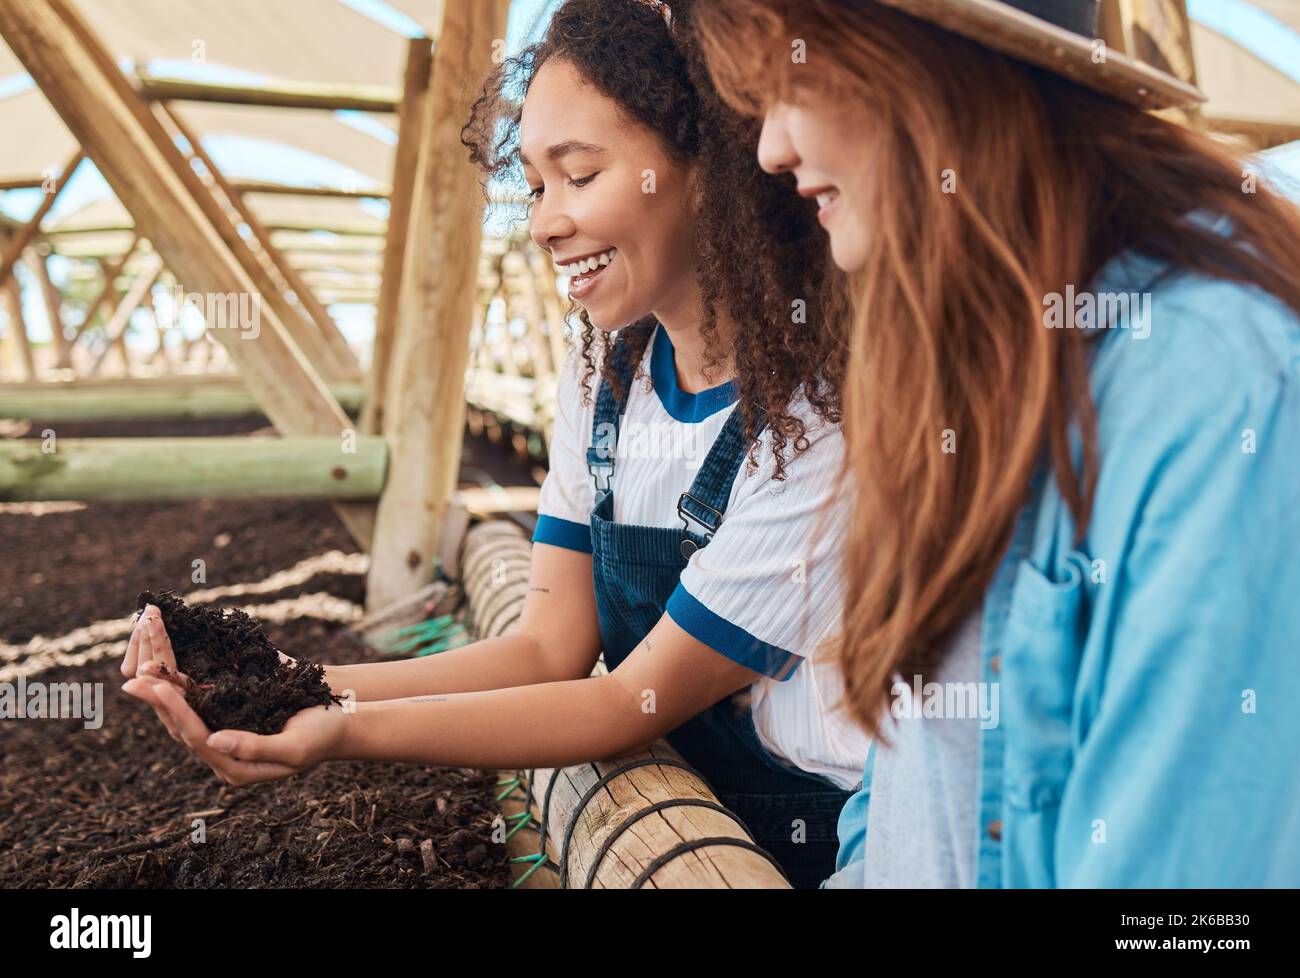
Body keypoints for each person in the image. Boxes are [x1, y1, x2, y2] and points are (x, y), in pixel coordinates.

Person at [122, 0, 868, 889]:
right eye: (536, 186)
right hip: (672, 815)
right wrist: (286, 682)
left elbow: (623, 703)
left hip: (814, 853)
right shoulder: (606, 375)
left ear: (705, 167)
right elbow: (547, 648)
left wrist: (347, 730)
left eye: (579, 176)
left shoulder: (816, 425)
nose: (547, 222)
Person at [696, 0, 1300, 886]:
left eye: (795, 83)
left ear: (929, 65)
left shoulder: (1213, 390)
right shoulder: (970, 358)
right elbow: (903, 791)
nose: (769, 149)